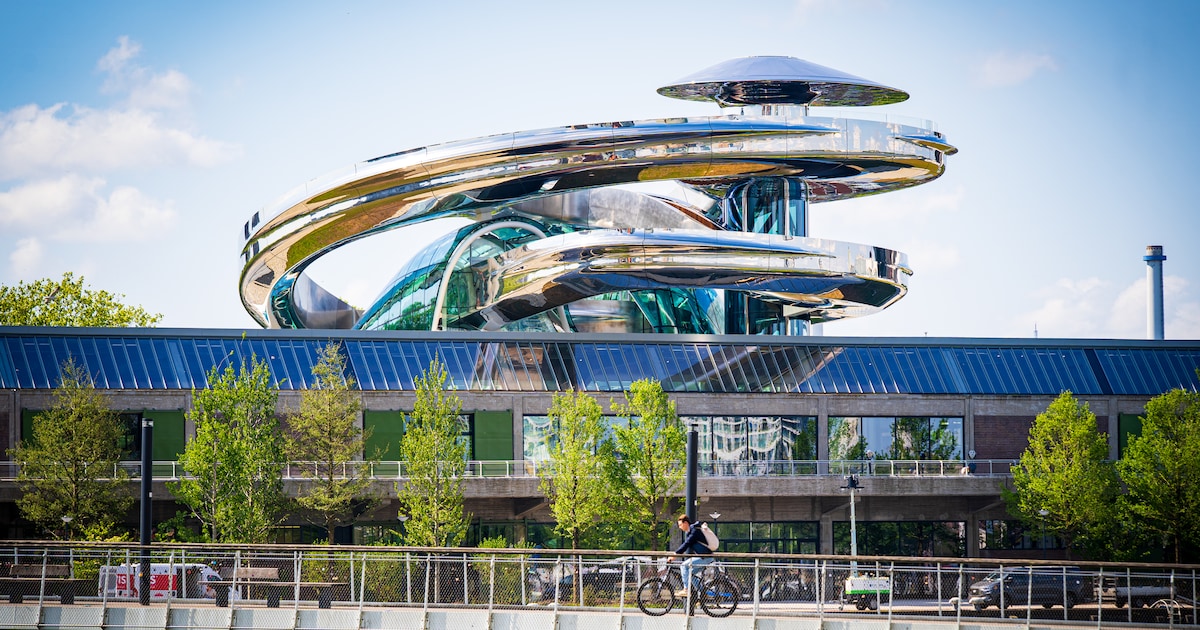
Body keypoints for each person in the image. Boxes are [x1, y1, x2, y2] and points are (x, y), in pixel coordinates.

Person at [674, 515, 713, 601]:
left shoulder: (694, 530)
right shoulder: (691, 531)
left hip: (705, 557)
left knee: (684, 566)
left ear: (686, 523)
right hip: (704, 557)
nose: (680, 527)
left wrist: (675, 554)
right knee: (689, 574)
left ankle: (686, 590)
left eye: (680, 525)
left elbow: (686, 544)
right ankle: (703, 592)